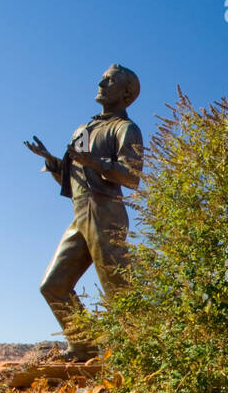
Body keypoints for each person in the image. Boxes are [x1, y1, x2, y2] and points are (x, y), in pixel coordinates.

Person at [24, 64, 143, 361]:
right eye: (103, 77)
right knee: (53, 286)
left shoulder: (125, 129)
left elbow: (131, 177)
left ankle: (139, 354)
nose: (102, 82)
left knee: (118, 290)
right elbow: (73, 181)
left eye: (110, 80)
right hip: (80, 216)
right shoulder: (83, 130)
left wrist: (92, 162)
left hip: (106, 214)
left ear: (126, 93)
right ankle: (84, 347)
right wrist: (53, 162)